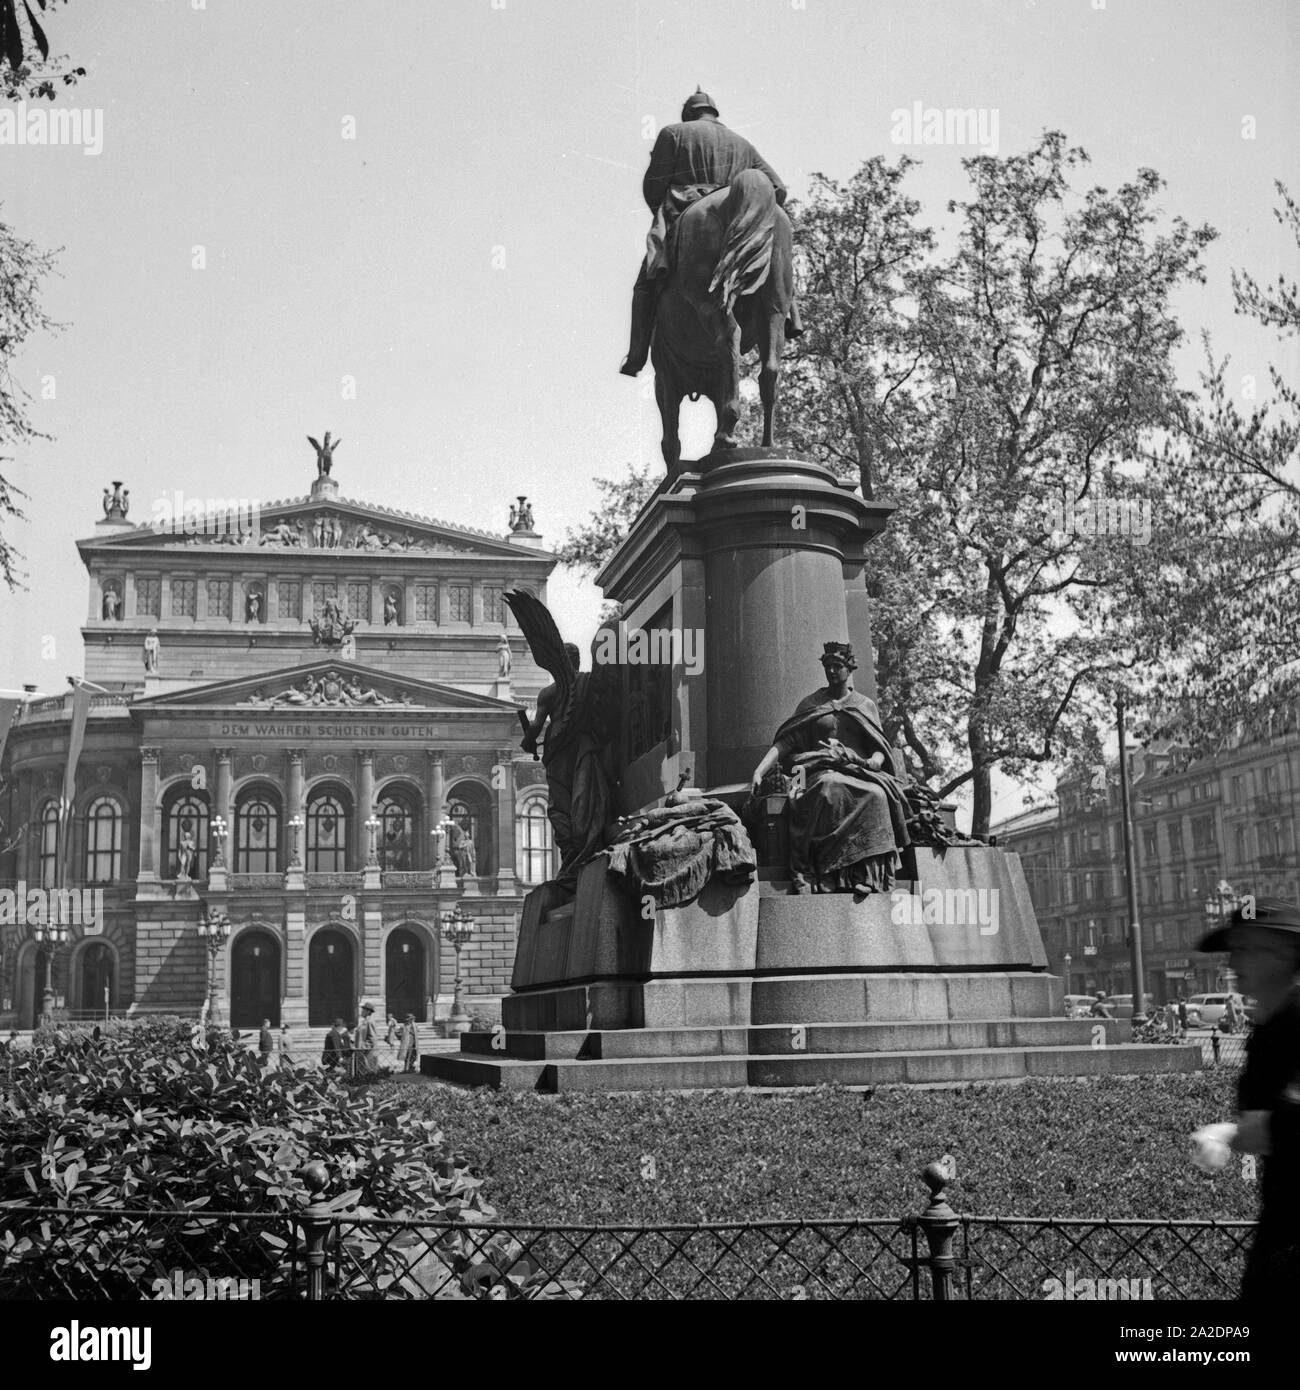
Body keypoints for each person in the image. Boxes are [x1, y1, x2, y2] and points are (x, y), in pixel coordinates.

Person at [621, 88, 799, 376]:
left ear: (689, 114)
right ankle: (787, 310)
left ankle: (637, 354)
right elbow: (777, 189)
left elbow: (653, 188)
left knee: (645, 283)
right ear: (714, 113)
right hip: (741, 214)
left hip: (684, 213)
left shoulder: (673, 134)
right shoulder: (743, 144)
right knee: (777, 245)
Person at [1196, 896, 1300, 1301]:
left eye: (1244, 949)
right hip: (1281, 1231)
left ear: (1283, 953)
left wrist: (1228, 1133)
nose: (1232, 964)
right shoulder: (1266, 1033)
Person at [749, 641, 909, 898]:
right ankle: (828, 874)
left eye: (838, 666)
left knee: (878, 796)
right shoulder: (811, 703)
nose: (832, 671)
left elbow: (878, 747)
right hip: (816, 771)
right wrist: (760, 770)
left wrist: (874, 761)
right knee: (830, 785)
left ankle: (864, 875)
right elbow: (786, 742)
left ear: (849, 669)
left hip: (859, 771)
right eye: (828, 666)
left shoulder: (864, 704)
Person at [354, 1003, 379, 1076]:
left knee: (368, 1073)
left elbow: (372, 1039)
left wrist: (362, 1048)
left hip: (368, 1053)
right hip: (362, 1053)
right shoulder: (364, 1022)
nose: (361, 1012)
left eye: (363, 1010)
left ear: (368, 1011)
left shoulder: (370, 1022)